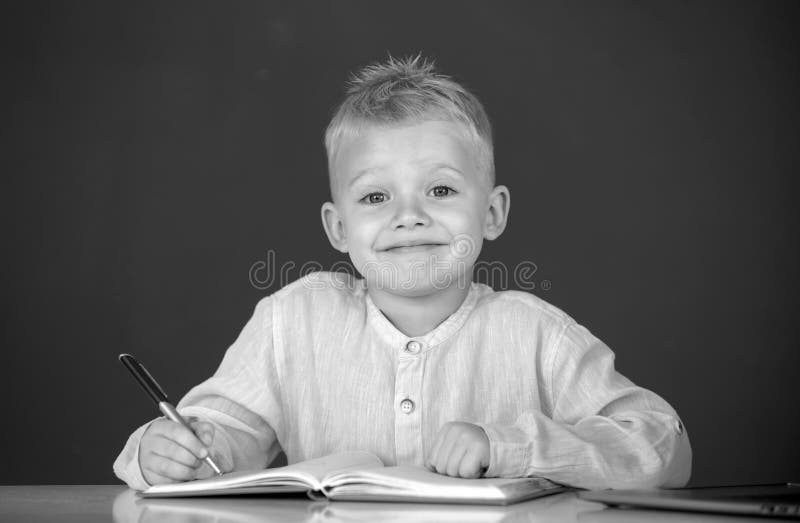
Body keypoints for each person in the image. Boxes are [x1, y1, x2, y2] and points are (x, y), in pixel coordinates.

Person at [114, 54, 692, 491]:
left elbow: (665, 444)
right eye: (374, 198)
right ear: (338, 228)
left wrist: (509, 446)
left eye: (440, 190)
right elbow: (220, 431)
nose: (408, 217)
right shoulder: (291, 322)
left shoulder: (536, 335)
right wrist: (167, 451)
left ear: (492, 213)